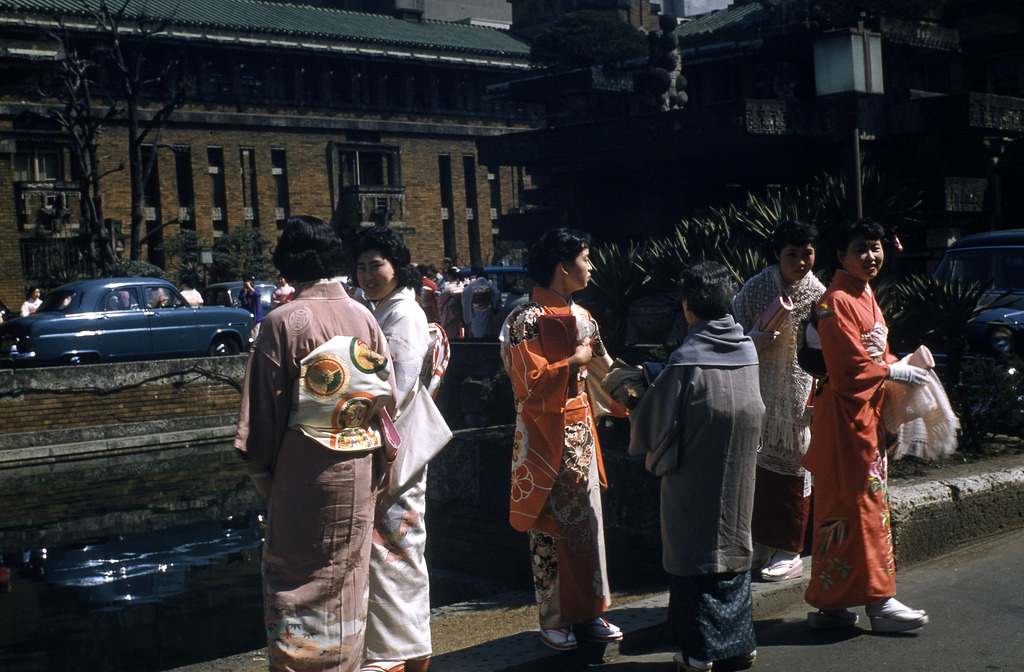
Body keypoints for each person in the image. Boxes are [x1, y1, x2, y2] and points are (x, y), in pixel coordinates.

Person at [234, 215, 397, 672]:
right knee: (348, 576)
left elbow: (263, 413)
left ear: (288, 263)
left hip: (303, 469)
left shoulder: (283, 322)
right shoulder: (363, 315)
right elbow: (387, 399)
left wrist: (260, 469)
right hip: (360, 462)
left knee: (294, 576)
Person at [628, 261, 763, 672]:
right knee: (734, 546)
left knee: (693, 552)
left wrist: (633, 397)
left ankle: (700, 651)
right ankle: (740, 645)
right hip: (739, 469)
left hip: (692, 475)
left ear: (687, 306)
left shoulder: (687, 359)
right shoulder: (747, 350)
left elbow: (652, 426)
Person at [499, 228, 626, 652]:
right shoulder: (524, 319)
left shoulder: (585, 318)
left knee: (588, 522)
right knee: (548, 527)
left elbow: (607, 368)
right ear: (563, 265)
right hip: (541, 436)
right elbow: (527, 383)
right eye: (585, 258)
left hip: (581, 432)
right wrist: (573, 360)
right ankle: (553, 617)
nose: (590, 266)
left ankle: (590, 611)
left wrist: (642, 393)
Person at [802, 218, 930, 633]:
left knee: (847, 505)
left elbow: (871, 354)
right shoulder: (836, 299)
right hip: (846, 414)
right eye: (860, 249)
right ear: (840, 256)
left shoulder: (860, 292)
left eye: (875, 248)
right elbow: (847, 367)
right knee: (862, 503)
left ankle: (833, 602)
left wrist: (896, 365)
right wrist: (893, 372)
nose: (871, 256)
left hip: (861, 411)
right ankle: (879, 601)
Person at [354, 227, 441, 672]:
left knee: (396, 546)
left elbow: (398, 389)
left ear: (397, 267)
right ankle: (397, 648)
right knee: (388, 548)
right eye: (363, 266)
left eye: (377, 265)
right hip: (390, 442)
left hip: (396, 444)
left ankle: (398, 651)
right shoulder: (381, 310)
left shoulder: (402, 314)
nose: (369, 274)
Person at [730, 220, 825, 582]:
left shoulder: (820, 294)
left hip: (800, 393)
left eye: (807, 254)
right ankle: (760, 545)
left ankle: (790, 549)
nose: (800, 262)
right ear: (776, 255)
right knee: (757, 468)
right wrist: (754, 339)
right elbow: (734, 334)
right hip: (759, 389)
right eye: (792, 255)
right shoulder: (755, 288)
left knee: (794, 468)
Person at [461, 264, 500, 338]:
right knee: (486, 328)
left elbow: (465, 293)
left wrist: (469, 304)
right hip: (487, 308)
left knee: (477, 328)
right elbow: (497, 293)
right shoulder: (489, 284)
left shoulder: (472, 285)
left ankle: (477, 339)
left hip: (476, 309)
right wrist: (493, 302)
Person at [435, 267, 465, 339]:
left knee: (449, 332)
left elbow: (441, 299)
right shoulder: (462, 285)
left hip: (450, 311)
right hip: (460, 310)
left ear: (451, 276)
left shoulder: (448, 287)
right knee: (458, 329)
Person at [238, 275, 265, 340]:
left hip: (256, 313)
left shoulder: (256, 290)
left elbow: (257, 294)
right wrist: (245, 291)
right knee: (250, 330)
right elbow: (242, 299)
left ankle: (256, 343)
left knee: (256, 330)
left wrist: (250, 287)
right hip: (248, 312)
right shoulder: (243, 292)